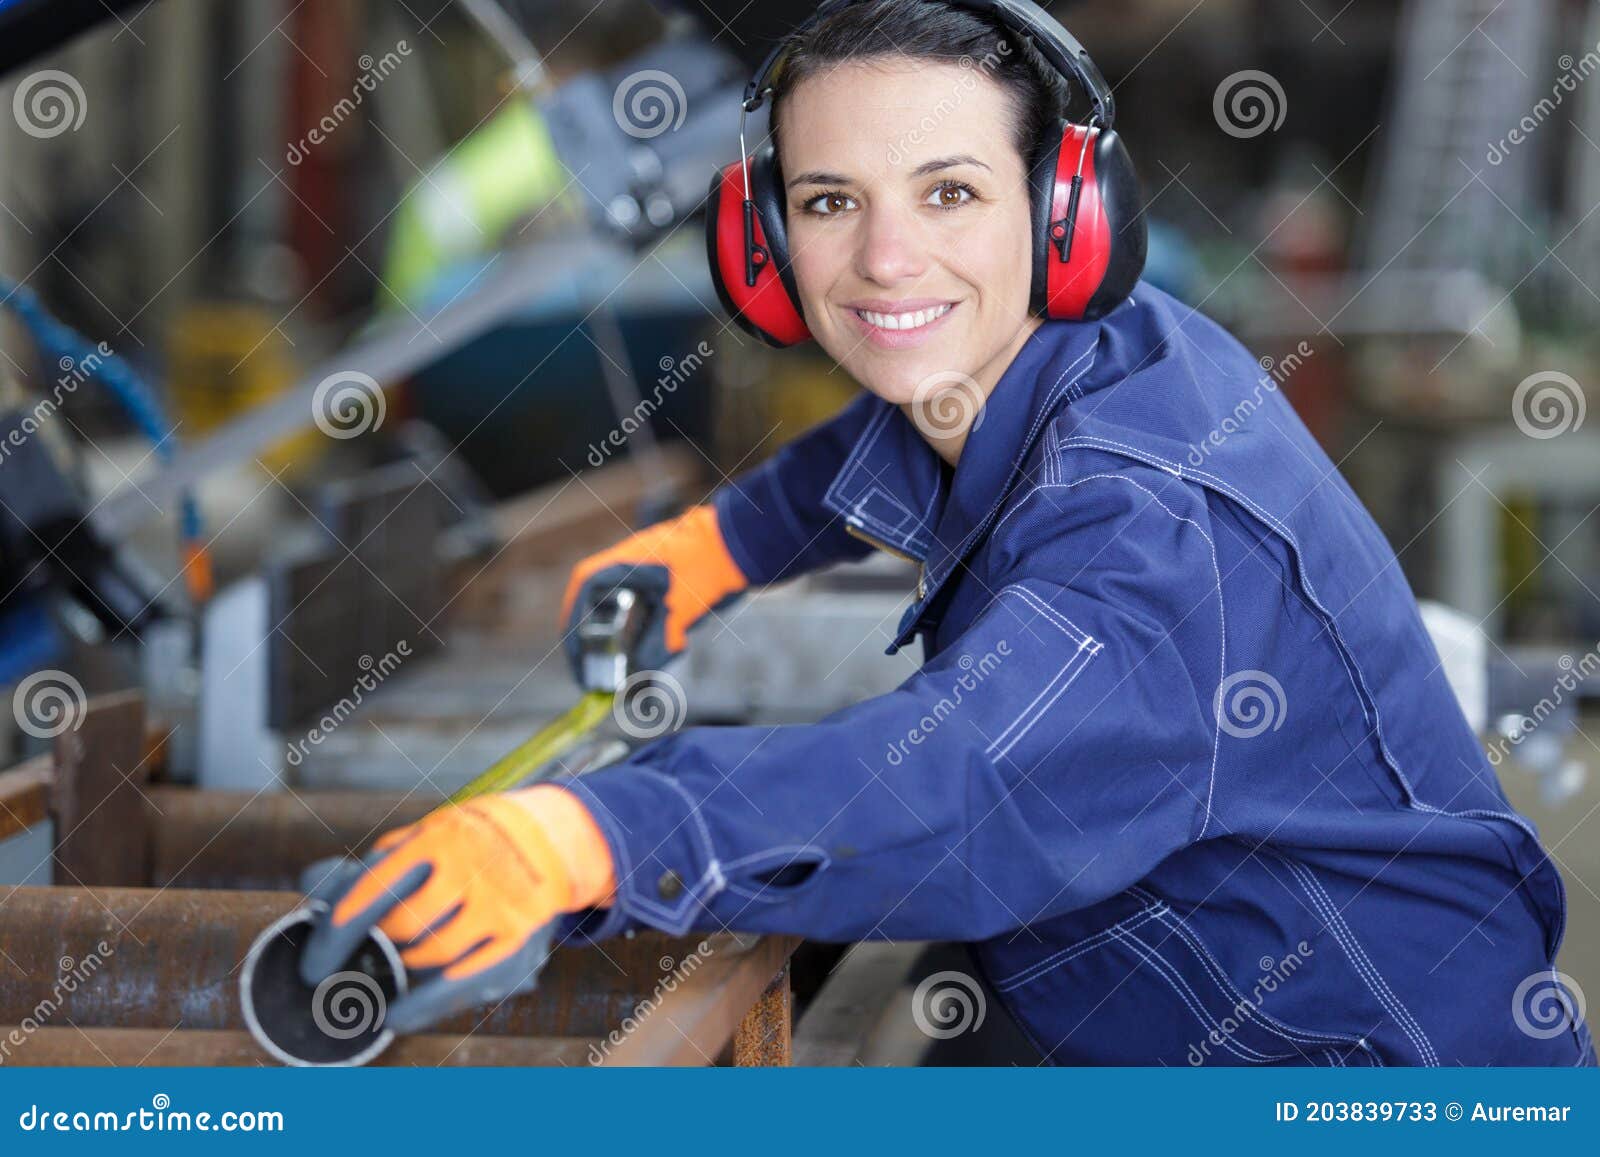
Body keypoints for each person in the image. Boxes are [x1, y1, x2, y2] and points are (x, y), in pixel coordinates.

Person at [301, 0, 1593, 1066]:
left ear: (1064, 212)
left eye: (949, 191)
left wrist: (592, 836)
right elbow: (904, 429)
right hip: (1163, 995)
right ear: (763, 240)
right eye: (827, 202)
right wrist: (723, 544)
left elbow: (954, 783)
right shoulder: (1081, 353)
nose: (884, 262)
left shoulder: (1151, 528)